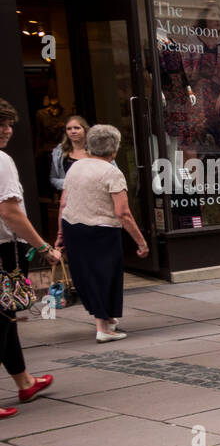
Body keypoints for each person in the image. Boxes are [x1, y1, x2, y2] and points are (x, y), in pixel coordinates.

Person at [56, 124, 149, 343]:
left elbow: (63, 202)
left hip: (73, 227)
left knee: (87, 275)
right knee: (105, 276)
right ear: (114, 150)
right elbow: (123, 213)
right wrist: (141, 242)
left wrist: (60, 233)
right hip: (101, 231)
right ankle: (103, 328)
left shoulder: (75, 167)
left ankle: (106, 318)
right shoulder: (112, 172)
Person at [0, 98, 60, 419]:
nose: (8, 131)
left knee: (7, 319)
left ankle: (24, 381)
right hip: (3, 251)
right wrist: (43, 247)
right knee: (2, 319)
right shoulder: (1, 161)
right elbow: (10, 212)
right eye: (2, 125)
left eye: (10, 124)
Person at [48, 115, 90, 195]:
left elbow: (114, 174)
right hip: (70, 198)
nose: (73, 131)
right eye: (69, 129)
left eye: (77, 128)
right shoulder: (59, 152)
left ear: (85, 129)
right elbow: (53, 178)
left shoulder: (97, 148)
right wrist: (71, 183)